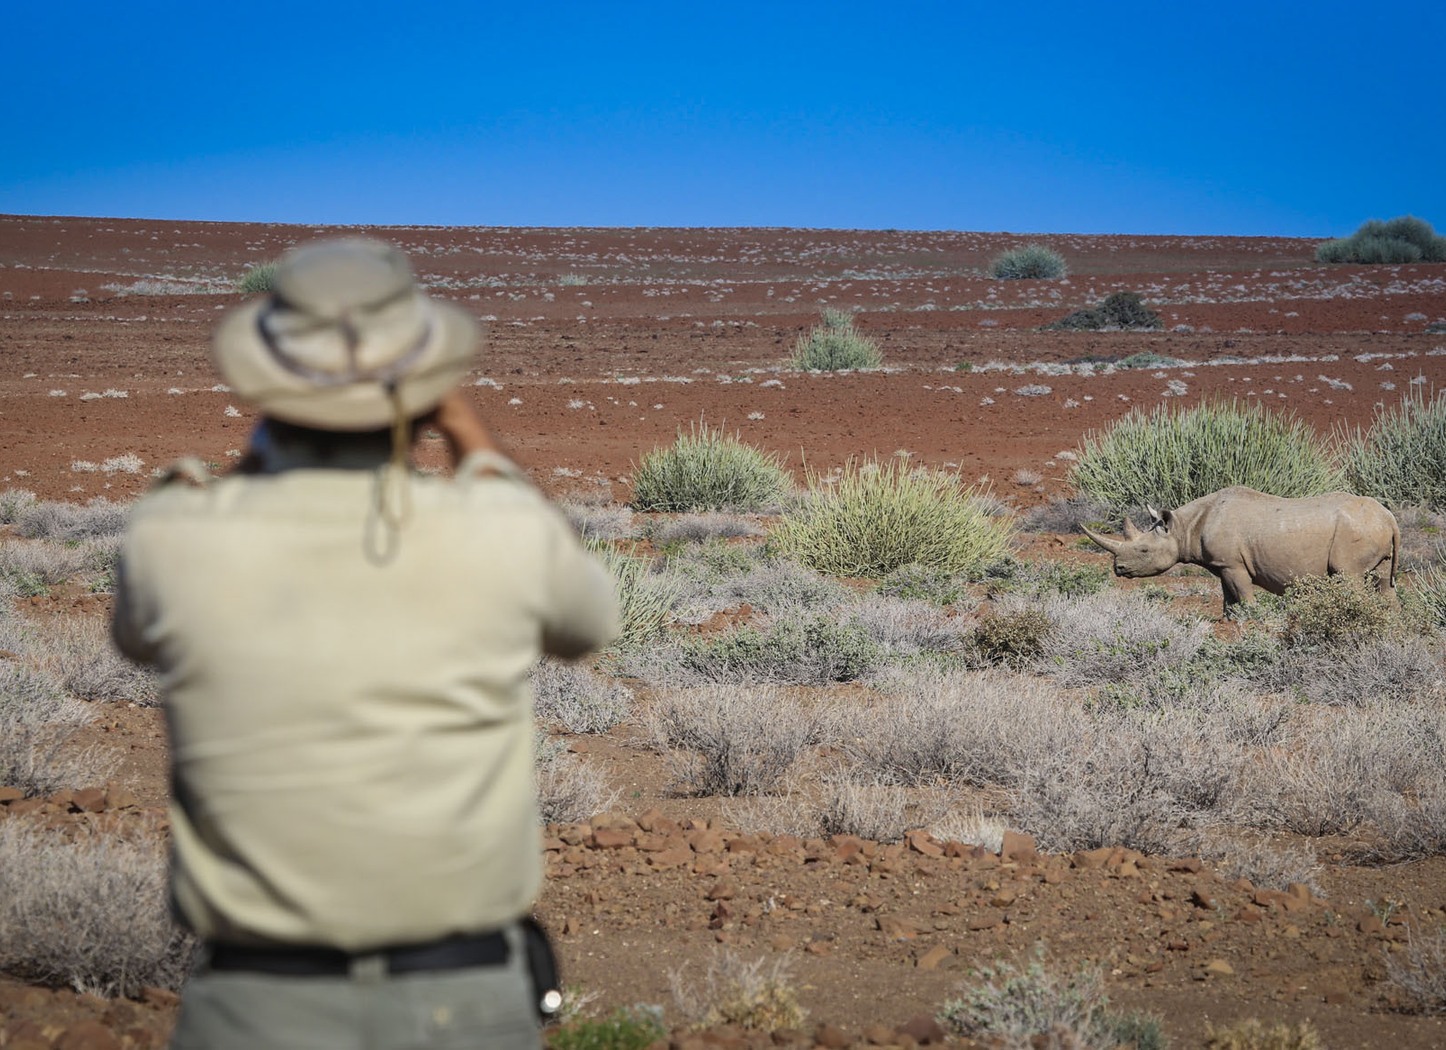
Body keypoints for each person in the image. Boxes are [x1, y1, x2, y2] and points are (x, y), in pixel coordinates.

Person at [111, 237, 621, 1049]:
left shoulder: (172, 535)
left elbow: (134, 637)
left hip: (252, 1007)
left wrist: (258, 459)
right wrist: (475, 446)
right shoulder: (500, 533)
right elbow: (593, 619)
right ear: (425, 385)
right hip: (463, 1004)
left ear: (266, 382)